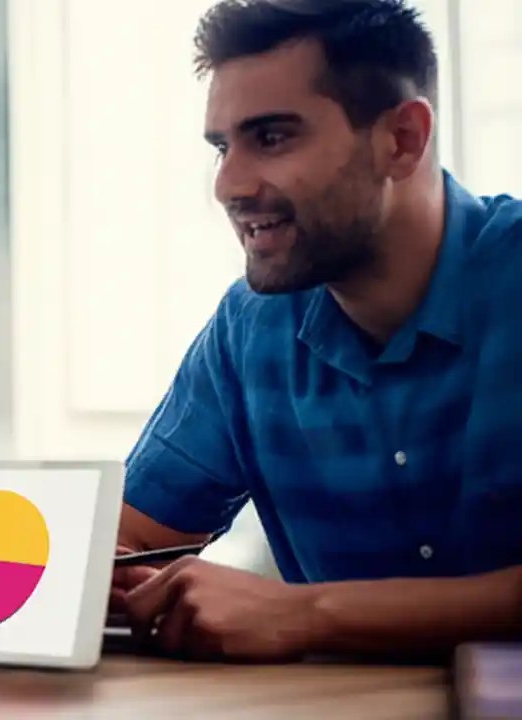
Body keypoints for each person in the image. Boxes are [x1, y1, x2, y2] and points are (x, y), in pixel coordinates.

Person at [113, 0, 522, 662]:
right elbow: (128, 545)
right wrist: (97, 579)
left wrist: (309, 615)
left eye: (272, 138)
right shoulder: (249, 330)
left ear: (402, 139)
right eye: (222, 147)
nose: (228, 185)